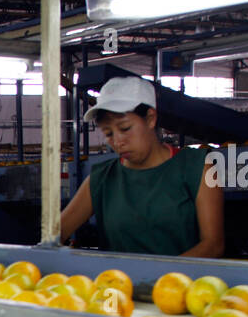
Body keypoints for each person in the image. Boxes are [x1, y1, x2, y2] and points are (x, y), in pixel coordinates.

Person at [60, 76, 225, 258]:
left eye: (125, 128)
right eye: (108, 133)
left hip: (179, 285)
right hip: (118, 285)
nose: (117, 141)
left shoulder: (198, 167)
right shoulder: (102, 179)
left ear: (150, 119)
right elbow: (54, 234)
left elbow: (213, 245)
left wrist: (162, 278)